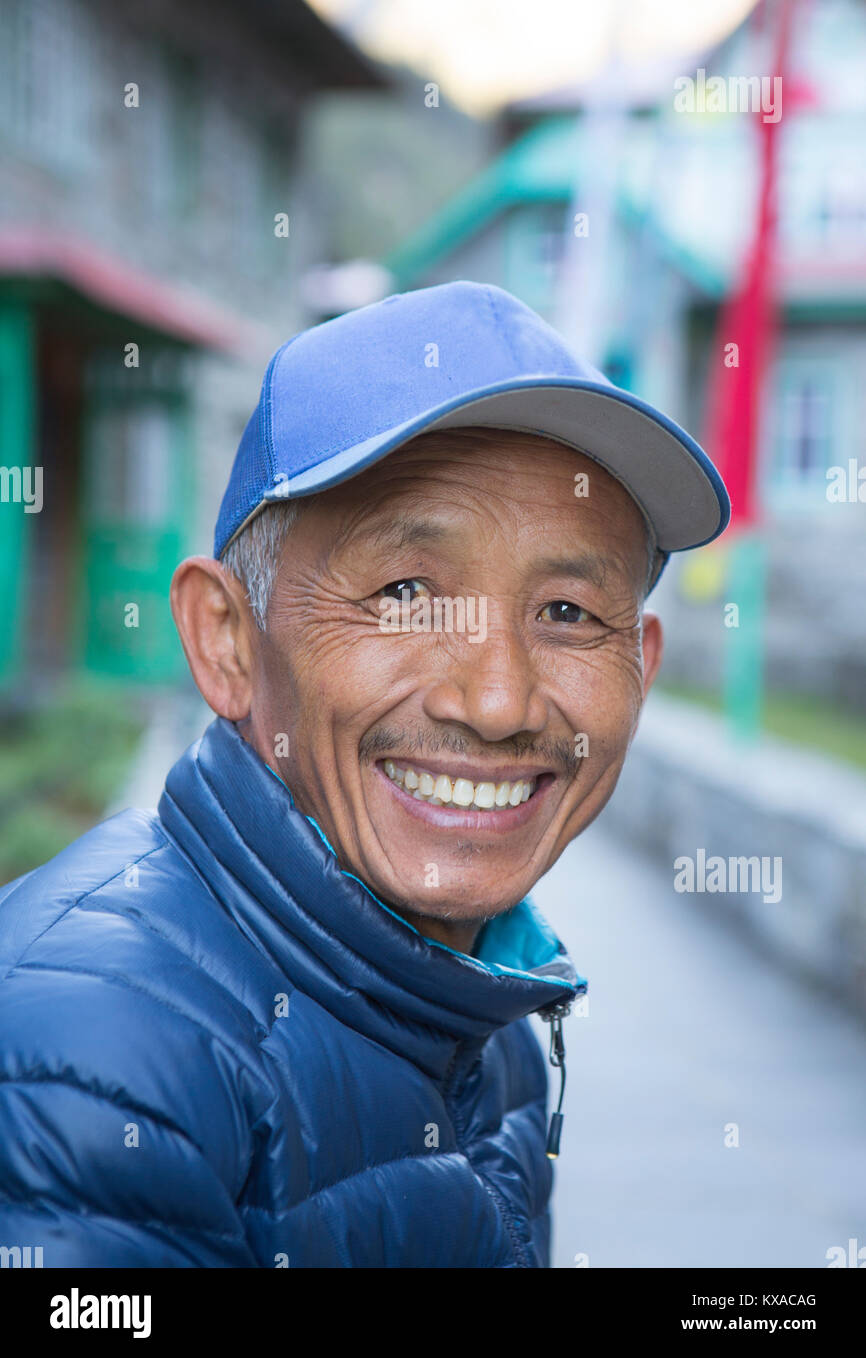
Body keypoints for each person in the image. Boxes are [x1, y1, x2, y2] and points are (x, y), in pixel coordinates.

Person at [0, 280, 729, 1267]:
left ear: (639, 664)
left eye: (566, 612)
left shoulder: (486, 1014)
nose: (498, 701)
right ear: (225, 642)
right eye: (405, 592)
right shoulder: (97, 1059)